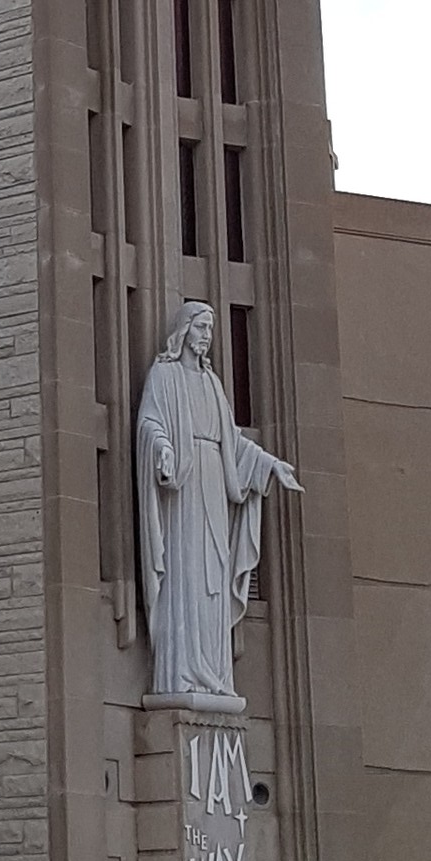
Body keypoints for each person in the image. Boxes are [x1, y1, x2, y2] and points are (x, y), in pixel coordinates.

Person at [134, 302, 297, 710]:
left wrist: (269, 464)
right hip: (183, 489)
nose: (206, 335)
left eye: (210, 329)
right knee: (186, 573)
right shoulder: (165, 375)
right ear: (185, 330)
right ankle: (181, 670)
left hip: (212, 485)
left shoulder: (212, 383)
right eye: (201, 327)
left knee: (212, 576)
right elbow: (149, 423)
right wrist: (163, 449)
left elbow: (233, 440)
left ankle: (213, 672)